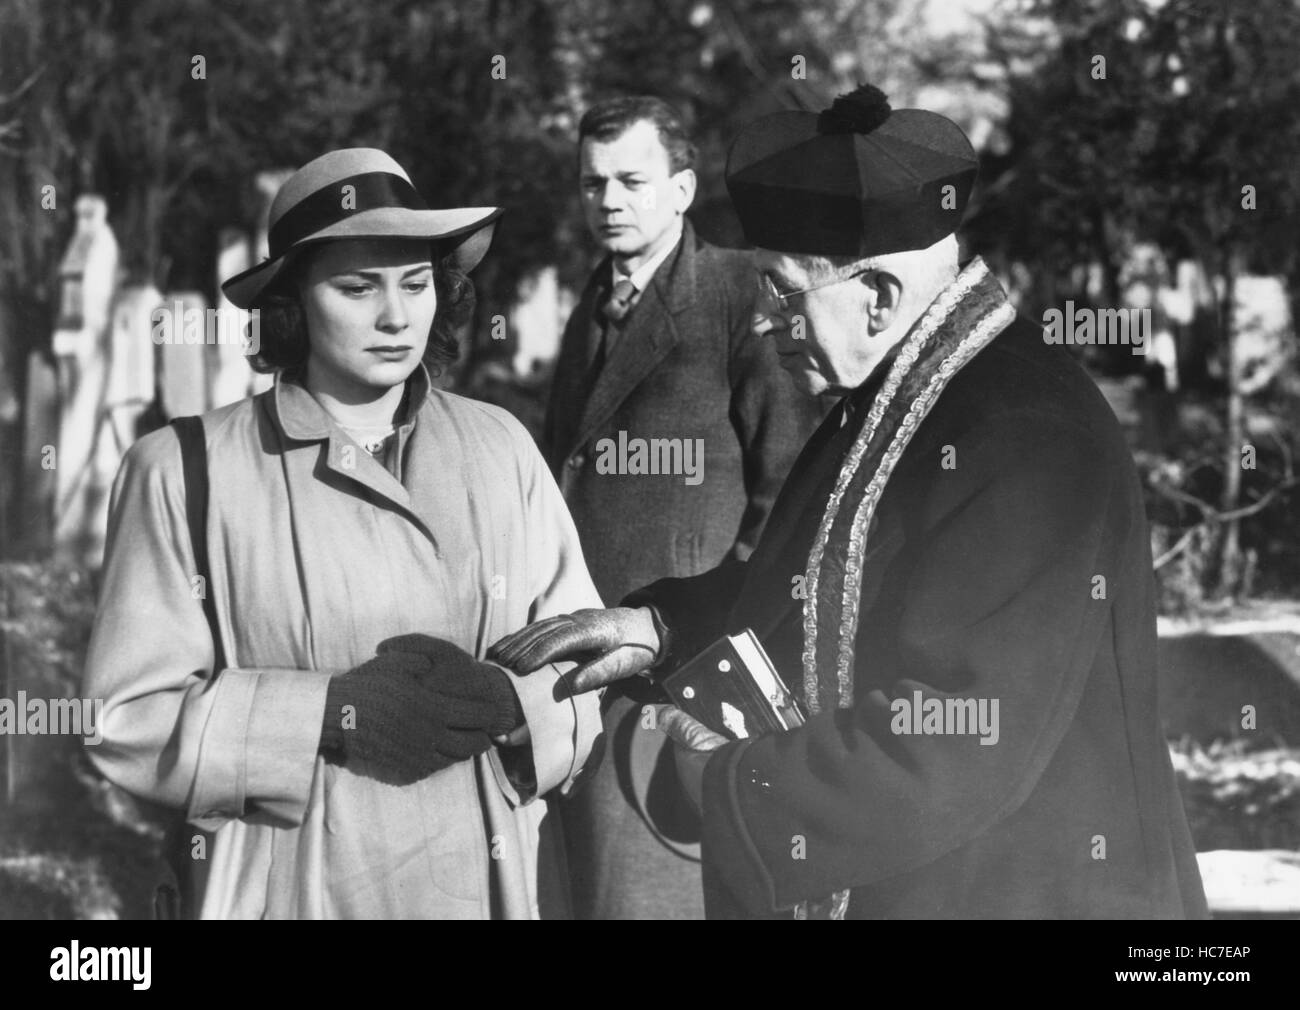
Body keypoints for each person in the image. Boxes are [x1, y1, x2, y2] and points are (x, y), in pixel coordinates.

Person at [493, 87, 1209, 919]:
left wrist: (721, 782)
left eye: (782, 292)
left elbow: (953, 735)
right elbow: (815, 585)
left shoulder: (1027, 433)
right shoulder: (890, 399)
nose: (765, 325)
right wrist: (662, 627)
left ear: (878, 299)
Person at [82, 148, 603, 919]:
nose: (396, 317)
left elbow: (583, 670)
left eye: (417, 284)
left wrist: (510, 703)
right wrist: (323, 715)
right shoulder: (183, 468)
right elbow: (124, 719)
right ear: (291, 301)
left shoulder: (501, 447)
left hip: (484, 877)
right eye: (358, 288)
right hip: (291, 883)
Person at [542, 96, 824, 919]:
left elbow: (789, 499)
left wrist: (707, 637)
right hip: (586, 656)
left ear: (684, 189)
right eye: (592, 184)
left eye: (631, 180)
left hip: (685, 672)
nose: (607, 202)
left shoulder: (741, 291)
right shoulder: (591, 304)